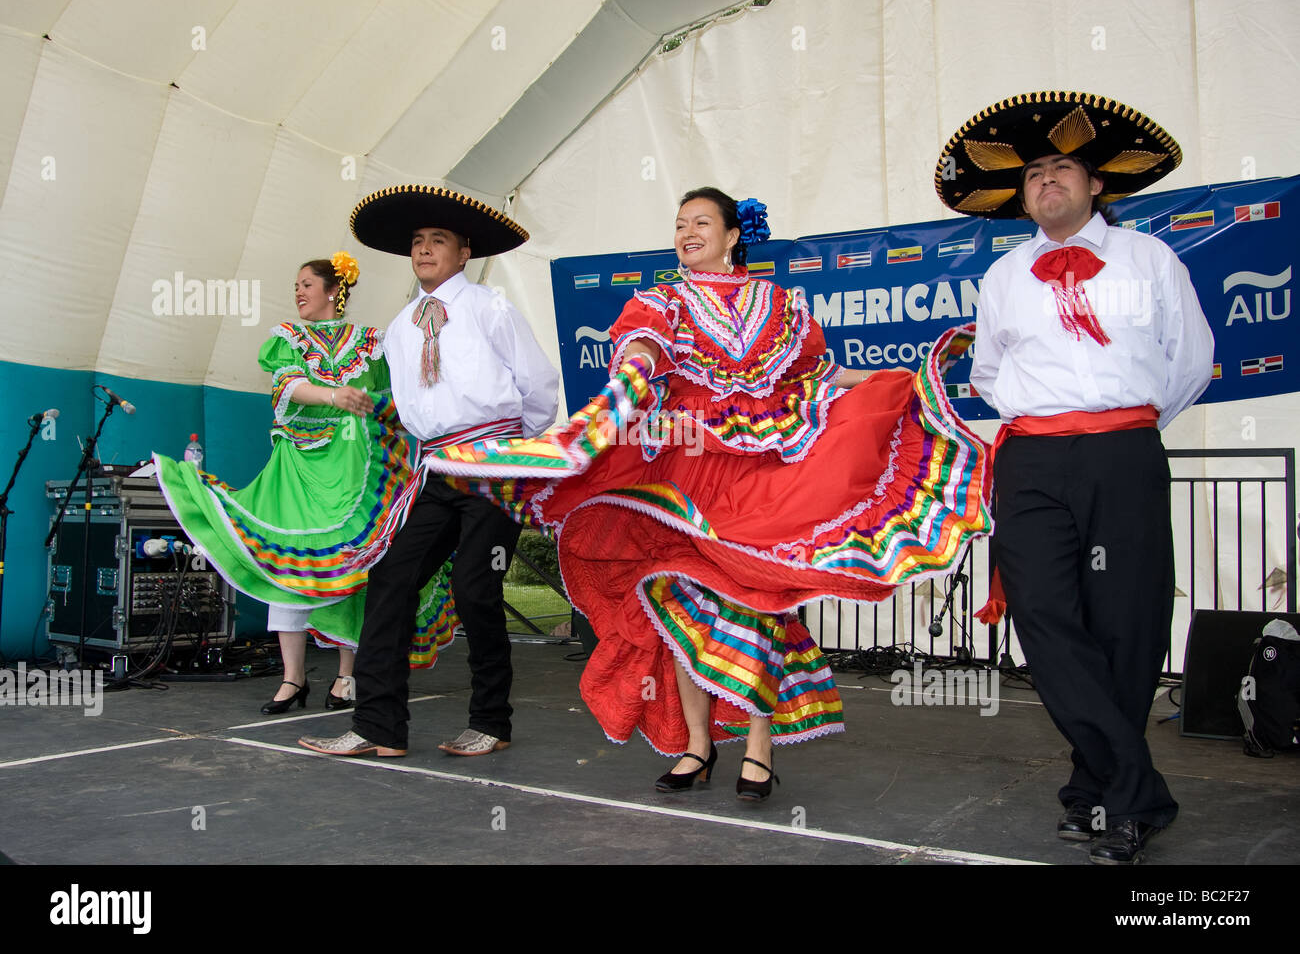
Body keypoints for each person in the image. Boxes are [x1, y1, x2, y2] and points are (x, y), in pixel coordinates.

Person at [423, 187, 993, 799]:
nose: (687, 233)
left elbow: (818, 375)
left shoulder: (780, 303)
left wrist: (896, 379)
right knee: (675, 598)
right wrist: (618, 395)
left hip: (764, 470)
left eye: (700, 223)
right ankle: (697, 745)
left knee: (758, 598)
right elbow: (640, 355)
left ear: (730, 236)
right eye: (679, 224)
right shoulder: (661, 300)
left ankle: (758, 748)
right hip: (684, 466)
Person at [935, 91, 1215, 863]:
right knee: (1045, 619)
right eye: (1033, 175)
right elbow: (990, 374)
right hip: (1030, 460)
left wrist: (1124, 431)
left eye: (1062, 168)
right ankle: (1134, 790)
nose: (1045, 182)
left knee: (1125, 624)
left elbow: (1189, 361)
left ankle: (1099, 793)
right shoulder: (1003, 278)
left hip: (1122, 452)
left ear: (1097, 185)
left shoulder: (1150, 259)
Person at [299, 185, 560, 759]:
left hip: (493, 467)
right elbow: (408, 405)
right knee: (390, 580)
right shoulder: (398, 328)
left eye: (437, 240)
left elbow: (539, 387)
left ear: (463, 253)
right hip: (437, 469)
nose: (423, 250)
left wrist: (512, 450)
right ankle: (377, 728)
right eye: (417, 242)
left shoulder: (491, 308)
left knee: (475, 587)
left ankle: (490, 719)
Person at [154, 254, 456, 714]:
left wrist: (378, 406)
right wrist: (336, 395)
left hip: (357, 465)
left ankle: (347, 675)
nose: (298, 292)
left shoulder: (372, 343)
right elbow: (287, 387)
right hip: (298, 466)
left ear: (334, 290)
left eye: (306, 284)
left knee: (357, 564)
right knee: (286, 564)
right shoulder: (289, 338)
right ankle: (292, 679)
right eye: (296, 285)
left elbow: (396, 395)